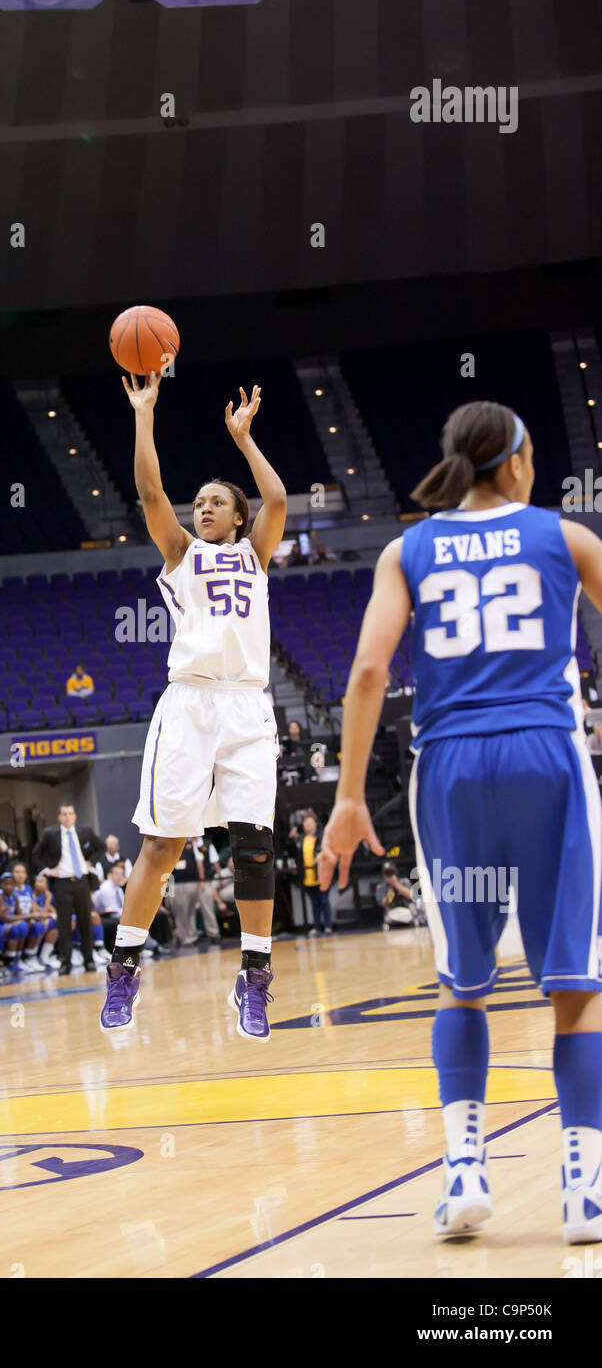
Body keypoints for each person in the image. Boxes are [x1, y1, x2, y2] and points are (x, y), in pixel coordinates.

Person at [318, 400, 602, 1244]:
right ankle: (585, 1188)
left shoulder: (409, 549)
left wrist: (346, 796)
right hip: (548, 760)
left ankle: (465, 1172)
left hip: (451, 773)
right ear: (515, 462)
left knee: (464, 981)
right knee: (575, 986)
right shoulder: (567, 536)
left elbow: (370, 670)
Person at [100, 371, 286, 1041]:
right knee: (162, 843)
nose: (204, 508)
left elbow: (277, 496)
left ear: (237, 518)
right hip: (189, 705)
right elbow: (150, 491)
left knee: (255, 848)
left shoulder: (256, 556)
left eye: (216, 502)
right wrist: (144, 414)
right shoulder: (181, 554)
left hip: (246, 710)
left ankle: (255, 979)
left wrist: (243, 439)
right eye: (200, 501)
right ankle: (124, 967)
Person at [33, 804, 105, 975]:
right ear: (59, 817)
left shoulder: (85, 831)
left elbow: (101, 847)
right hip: (61, 883)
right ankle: (65, 962)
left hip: (81, 881)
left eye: (70, 813)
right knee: (64, 924)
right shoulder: (51, 834)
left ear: (75, 816)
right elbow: (36, 854)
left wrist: (91, 862)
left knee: (85, 921)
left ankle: (89, 960)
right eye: (64, 814)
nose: (67, 817)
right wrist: (46, 870)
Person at [294, 812, 331, 935]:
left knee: (324, 900)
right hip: (307, 875)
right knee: (314, 903)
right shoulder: (301, 839)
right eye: (305, 822)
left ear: (315, 823)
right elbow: (297, 856)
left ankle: (328, 926)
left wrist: (321, 855)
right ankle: (316, 926)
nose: (308, 825)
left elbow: (327, 850)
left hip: (320, 873)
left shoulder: (321, 837)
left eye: (310, 822)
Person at [92, 862, 126, 953]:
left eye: (121, 874)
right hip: (100, 917)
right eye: (116, 874)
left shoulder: (118, 889)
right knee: (119, 924)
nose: (119, 876)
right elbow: (111, 910)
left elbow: (122, 907)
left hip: (111, 916)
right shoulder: (105, 888)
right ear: (110, 875)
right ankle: (119, 952)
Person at [376, 862, 416, 929]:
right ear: (383, 875)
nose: (389, 876)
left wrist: (396, 884)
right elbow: (383, 904)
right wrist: (389, 894)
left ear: (396, 872)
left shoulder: (404, 881)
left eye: (391, 873)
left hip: (407, 913)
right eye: (387, 874)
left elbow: (411, 895)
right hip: (392, 916)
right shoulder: (381, 887)